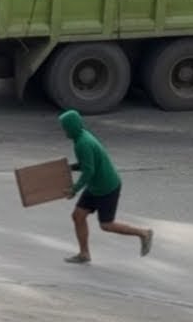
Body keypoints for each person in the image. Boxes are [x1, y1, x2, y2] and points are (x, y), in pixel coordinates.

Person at [59, 110, 154, 264]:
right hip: (95, 186)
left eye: (64, 128)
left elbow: (89, 170)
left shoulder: (83, 143)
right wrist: (70, 168)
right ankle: (84, 254)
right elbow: (88, 164)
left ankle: (143, 233)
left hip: (107, 187)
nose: (63, 131)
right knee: (78, 216)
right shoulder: (81, 137)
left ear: (71, 127)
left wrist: (74, 189)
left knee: (106, 225)